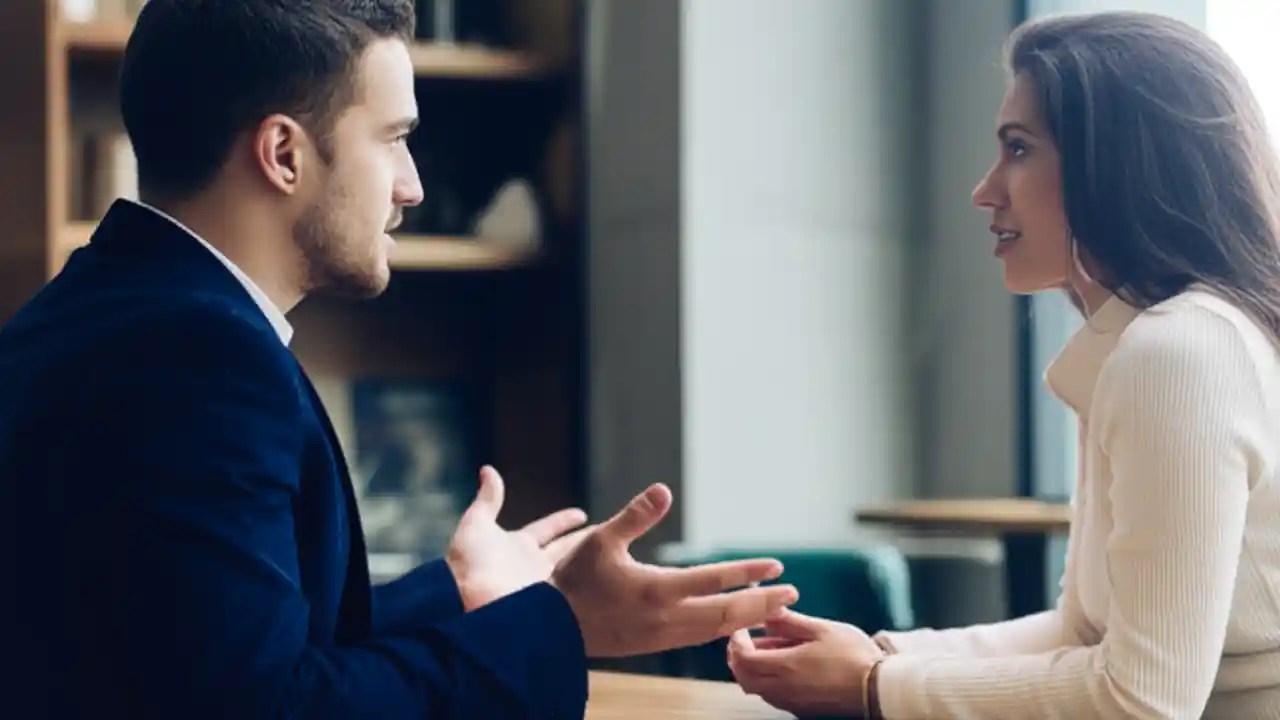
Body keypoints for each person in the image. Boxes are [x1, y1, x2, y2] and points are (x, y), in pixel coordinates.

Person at [0, 1, 800, 718]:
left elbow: (203, 647)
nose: (411, 186)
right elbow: (263, 707)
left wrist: (463, 595)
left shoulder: (91, 316)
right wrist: (551, 627)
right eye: (393, 139)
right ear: (283, 153)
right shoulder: (202, 362)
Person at [728, 11, 1280, 719]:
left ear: (1115, 161)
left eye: (1019, 149)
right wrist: (880, 656)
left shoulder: (1179, 353)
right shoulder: (1156, 345)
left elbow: (1142, 700)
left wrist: (872, 687)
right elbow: (1081, 633)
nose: (985, 190)